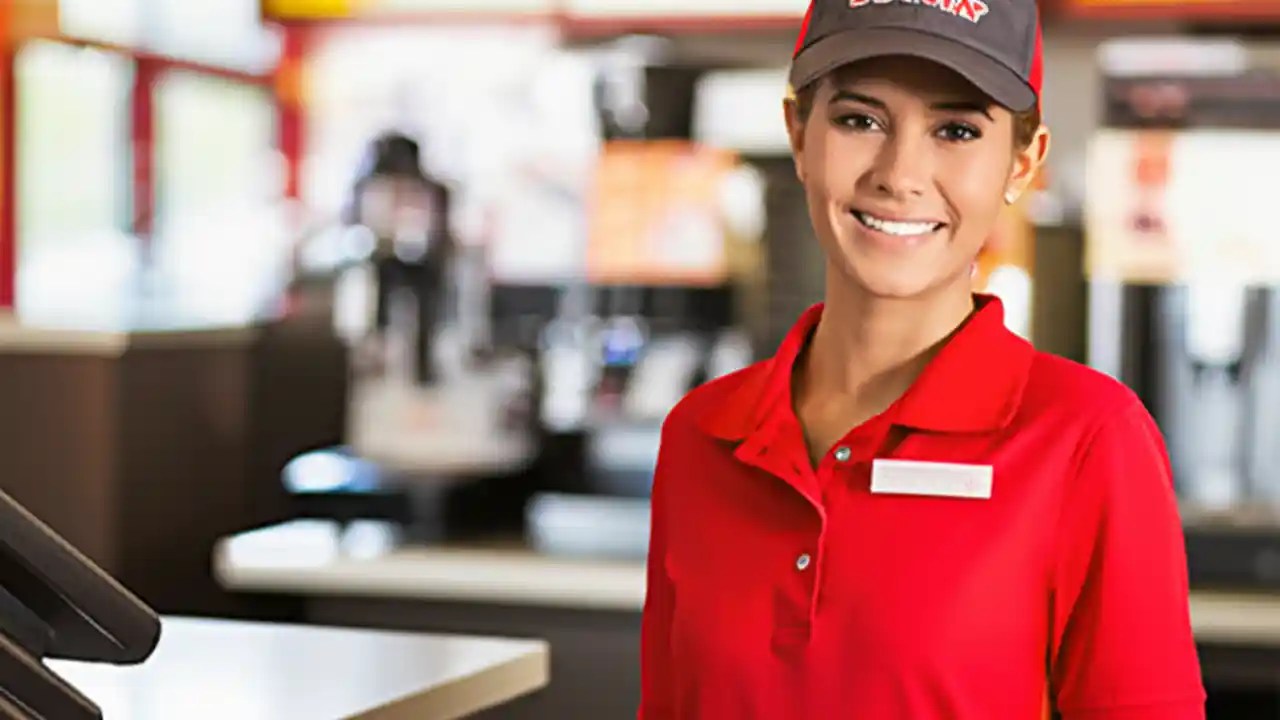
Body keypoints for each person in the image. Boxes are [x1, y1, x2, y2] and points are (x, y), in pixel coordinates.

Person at [638, 1, 1206, 719]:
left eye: (956, 130)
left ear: (1022, 163)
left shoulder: (1088, 441)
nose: (900, 174)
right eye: (859, 120)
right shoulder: (701, 436)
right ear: (798, 134)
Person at [348, 131, 454, 384]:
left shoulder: (433, 190)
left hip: (425, 262)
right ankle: (378, 358)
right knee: (379, 308)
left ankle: (422, 367)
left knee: (427, 311)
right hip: (385, 259)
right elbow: (359, 222)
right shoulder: (371, 188)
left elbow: (441, 232)